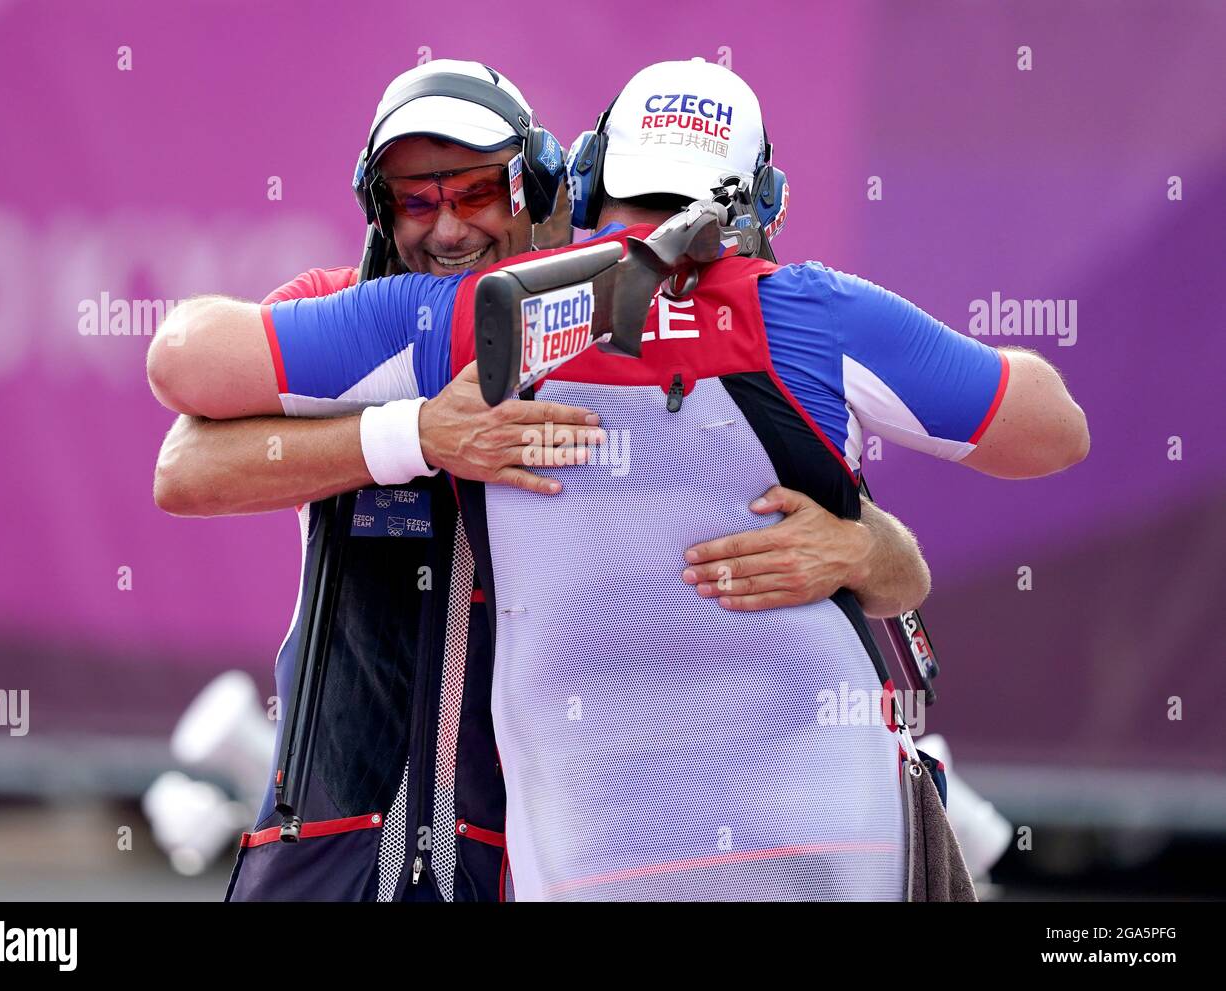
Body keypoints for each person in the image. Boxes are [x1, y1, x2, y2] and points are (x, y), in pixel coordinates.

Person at [150, 61, 959, 901]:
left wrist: (861, 546)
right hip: (341, 843)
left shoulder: (636, 338)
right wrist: (414, 435)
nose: (448, 228)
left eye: (476, 191)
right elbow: (184, 466)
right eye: (414, 199)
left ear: (542, 187)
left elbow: (902, 586)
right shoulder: (353, 320)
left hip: (552, 857)